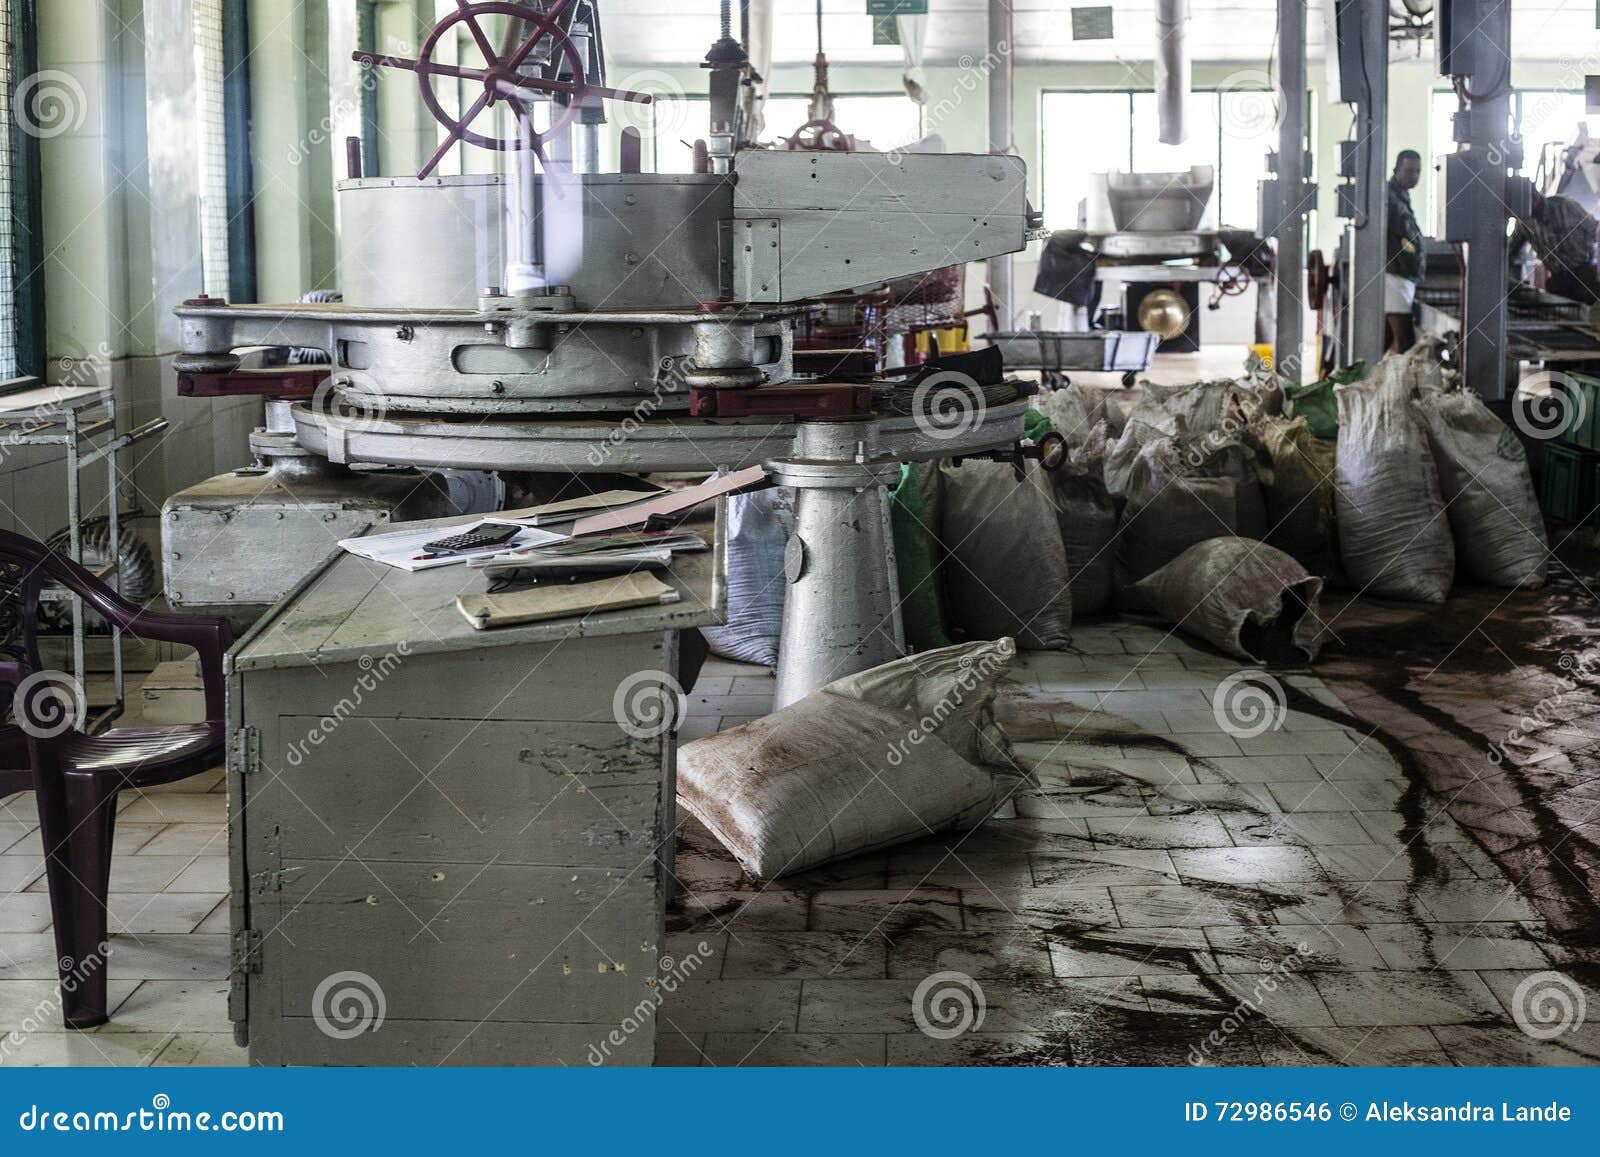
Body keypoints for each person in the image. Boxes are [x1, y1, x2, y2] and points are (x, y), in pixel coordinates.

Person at [1386, 149, 1426, 353]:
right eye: (1409, 170)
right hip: (1393, 277)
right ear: (1396, 170)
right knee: (1405, 342)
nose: (1415, 176)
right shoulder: (1390, 200)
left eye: (1418, 171)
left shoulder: (1401, 199)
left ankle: (1368, 381)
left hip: (1401, 278)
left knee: (1383, 339)